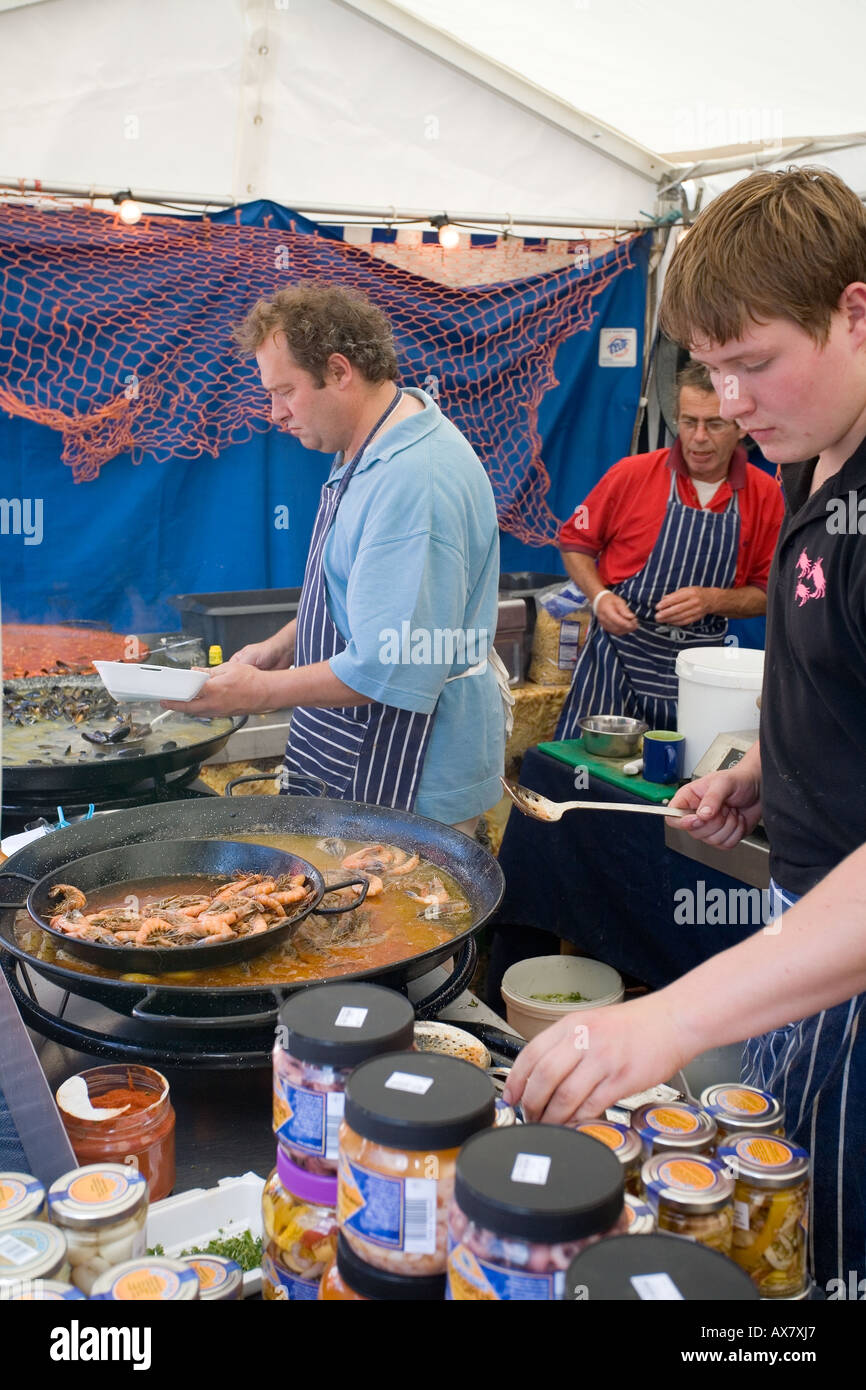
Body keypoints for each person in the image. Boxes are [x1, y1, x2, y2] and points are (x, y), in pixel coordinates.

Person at [504, 166, 866, 1291]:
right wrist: (765, 769)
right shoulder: (813, 459)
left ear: (856, 311)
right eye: (705, 372)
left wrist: (661, 1021)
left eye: (751, 363)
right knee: (782, 1218)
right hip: (797, 928)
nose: (731, 404)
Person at [164, 281, 510, 831]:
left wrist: (261, 692)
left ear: (340, 371)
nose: (274, 413)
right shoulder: (370, 441)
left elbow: (388, 662)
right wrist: (281, 644)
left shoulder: (414, 481)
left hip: (412, 769)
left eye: (285, 391)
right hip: (353, 746)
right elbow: (358, 591)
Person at [554, 361, 783, 737]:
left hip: (700, 672)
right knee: (590, 777)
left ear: (741, 426)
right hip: (616, 659)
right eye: (689, 422)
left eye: (714, 424)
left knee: (690, 783)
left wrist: (712, 600)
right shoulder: (631, 474)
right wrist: (598, 599)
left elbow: (767, 593)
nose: (698, 438)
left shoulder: (766, 495)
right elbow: (575, 543)